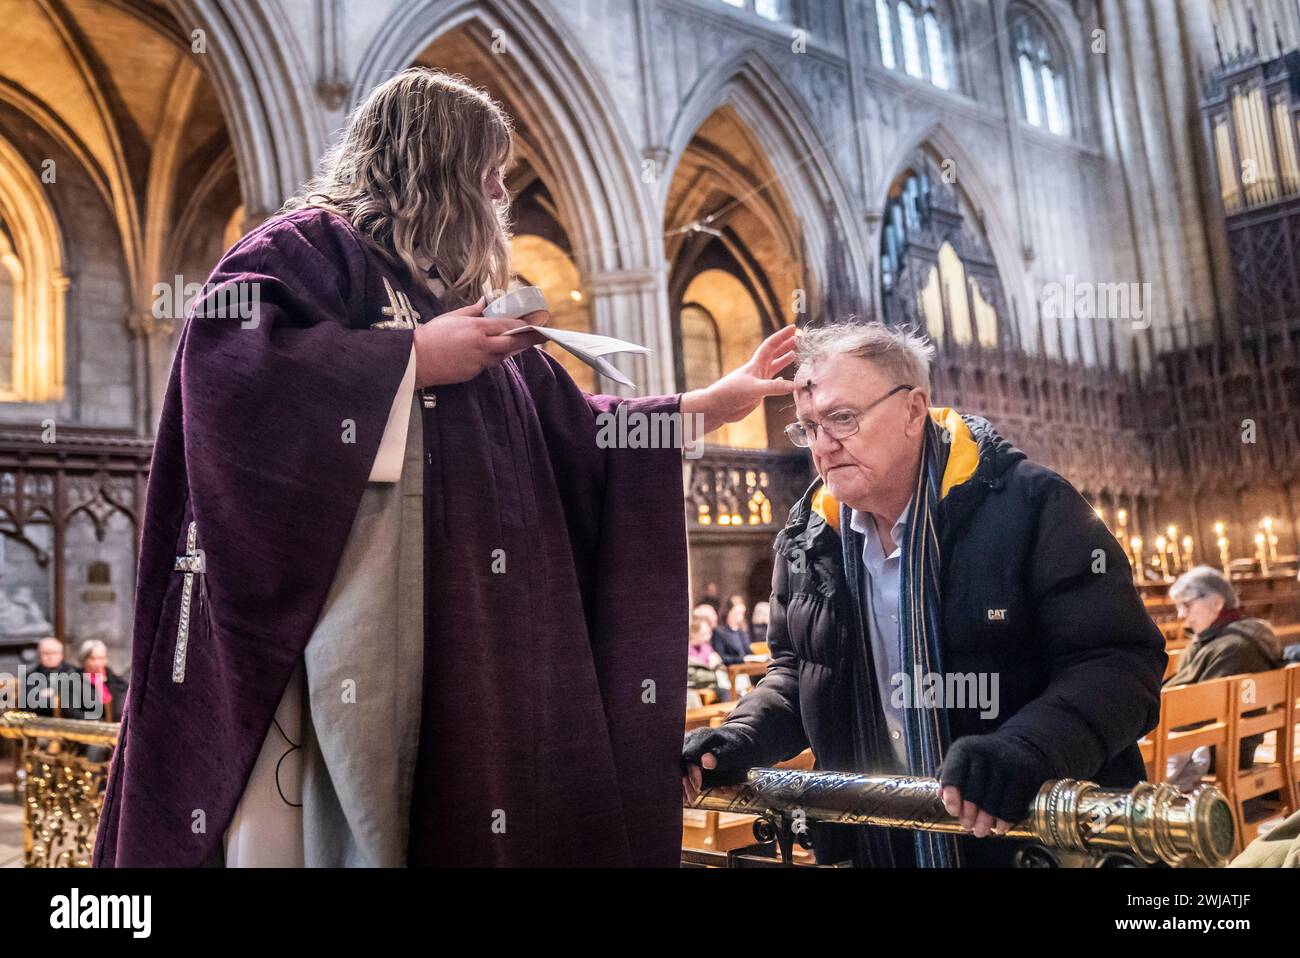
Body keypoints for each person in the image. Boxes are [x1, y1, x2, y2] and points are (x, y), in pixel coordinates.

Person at [94, 68, 795, 868]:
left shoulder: (462, 298)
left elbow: (573, 432)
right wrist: (413, 358)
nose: (501, 194)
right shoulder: (310, 250)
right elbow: (230, 373)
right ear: (432, 164)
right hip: (361, 645)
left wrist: (705, 404)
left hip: (486, 648)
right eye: (487, 172)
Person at [682, 321, 1165, 867]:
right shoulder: (806, 538)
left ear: (915, 409)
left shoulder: (1033, 505)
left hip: (1030, 840)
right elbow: (801, 673)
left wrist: (1028, 748)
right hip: (880, 845)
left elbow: (1121, 665)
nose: (823, 444)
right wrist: (742, 738)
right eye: (808, 427)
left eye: (842, 418)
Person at [1163, 566, 1284, 788]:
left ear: (1216, 602)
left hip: (1222, 749)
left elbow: (1203, 712)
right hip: (1212, 742)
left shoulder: (1235, 647)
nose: (1181, 615)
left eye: (1186, 605)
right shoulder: (1212, 640)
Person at [26, 637, 82, 718]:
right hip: (43, 720)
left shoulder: (74, 672)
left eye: (54, 653)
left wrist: (54, 691)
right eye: (45, 653)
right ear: (38, 655)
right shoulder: (31, 676)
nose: (50, 656)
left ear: (61, 655)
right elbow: (30, 704)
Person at [711, 598, 752, 666]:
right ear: (727, 612)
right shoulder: (719, 632)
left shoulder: (742, 631)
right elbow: (721, 657)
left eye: (742, 614)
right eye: (736, 614)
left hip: (746, 668)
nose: (740, 618)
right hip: (732, 670)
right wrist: (741, 659)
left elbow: (747, 651)